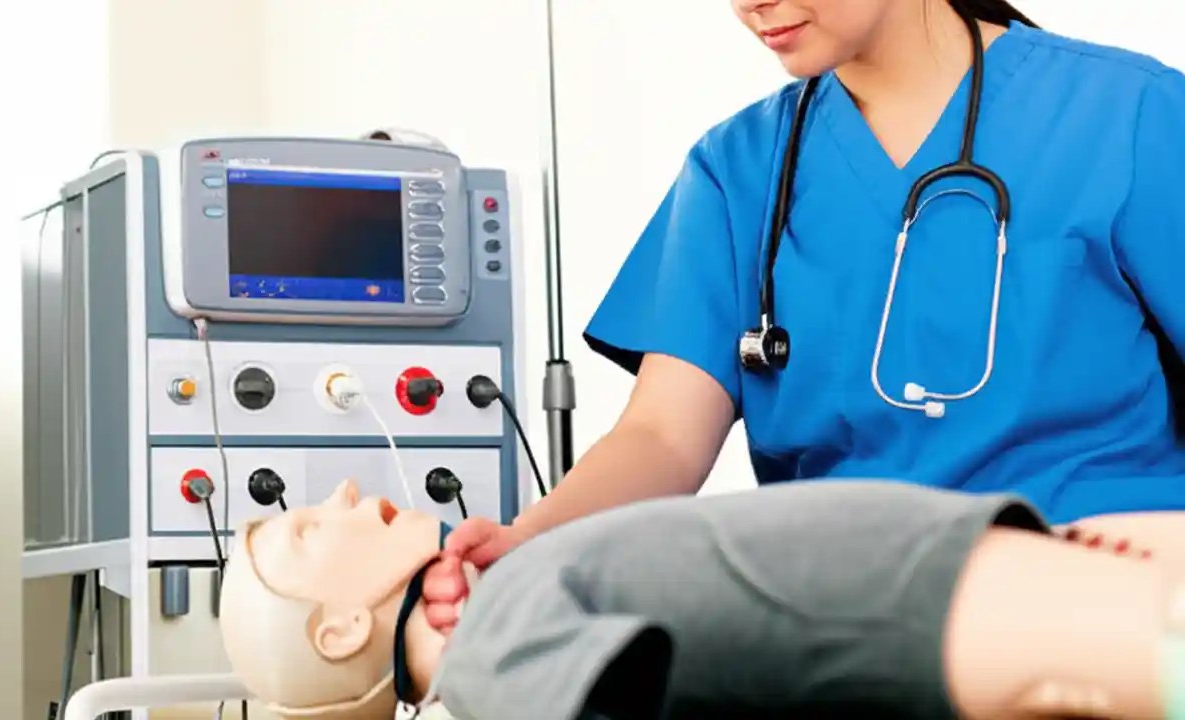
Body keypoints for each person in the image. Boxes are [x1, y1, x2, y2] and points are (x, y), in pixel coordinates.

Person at [425, 0, 1185, 624]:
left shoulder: (1130, 116)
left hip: (1107, 602)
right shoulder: (739, 168)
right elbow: (660, 434)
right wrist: (528, 541)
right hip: (854, 630)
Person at [218, 479, 1185, 719]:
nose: (340, 498)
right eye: (307, 530)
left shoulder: (509, 600)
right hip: (920, 600)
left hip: (964, 558)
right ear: (341, 628)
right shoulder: (487, 657)